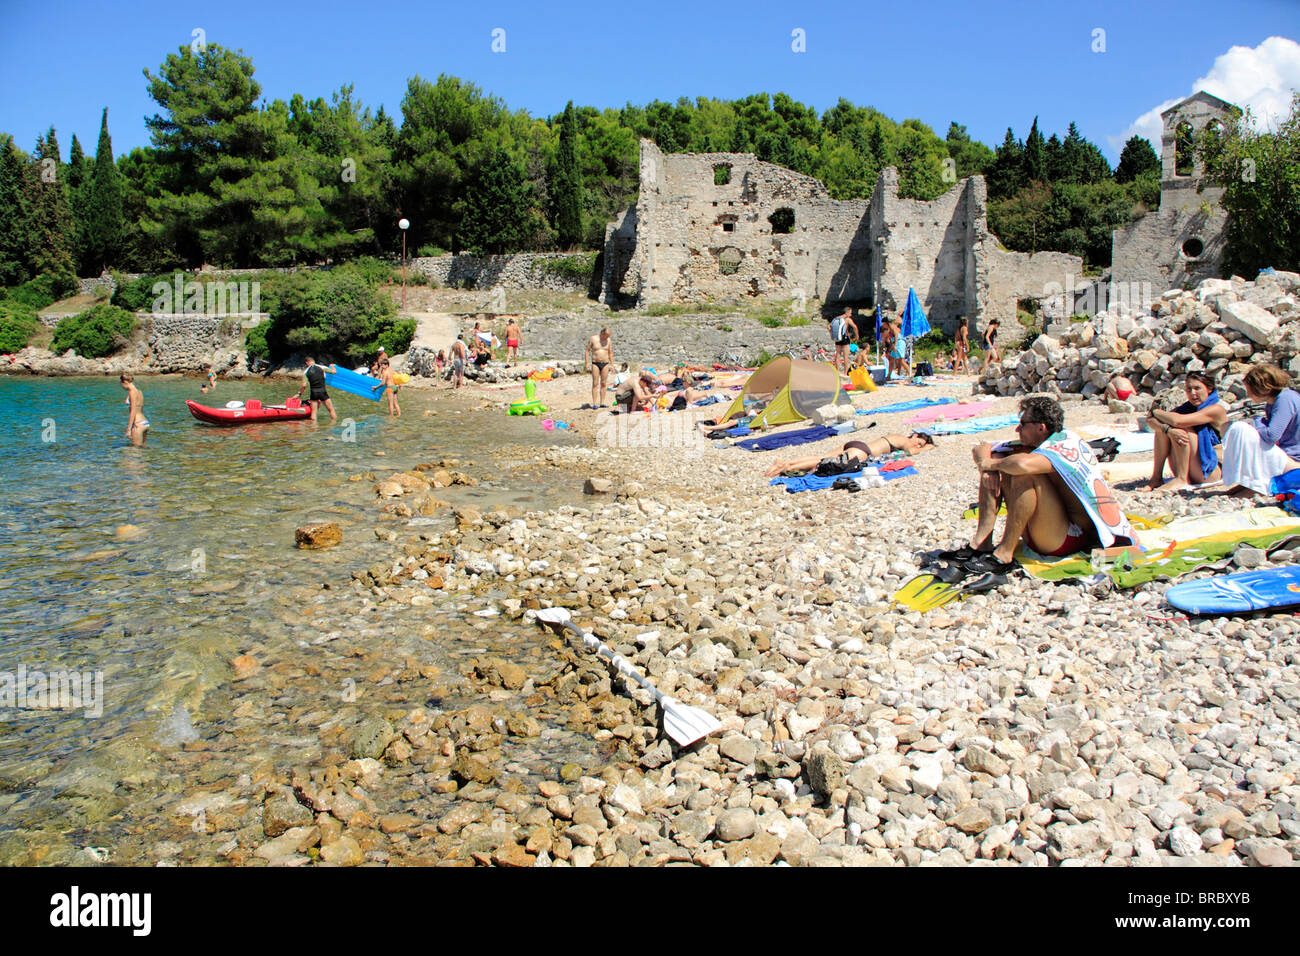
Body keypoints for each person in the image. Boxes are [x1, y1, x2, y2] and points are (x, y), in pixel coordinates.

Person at [957, 395, 1138, 573]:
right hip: (1047, 529)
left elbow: (1022, 465)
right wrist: (988, 467)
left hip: (1072, 536)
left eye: (1022, 424)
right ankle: (982, 543)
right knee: (997, 460)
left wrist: (992, 464)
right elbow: (981, 448)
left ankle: (1004, 554)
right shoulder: (1041, 442)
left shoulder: (1065, 446)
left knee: (1023, 474)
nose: (1017, 430)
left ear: (1041, 427)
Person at [1220, 364, 1300, 498]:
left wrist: (1257, 421)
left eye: (1250, 390)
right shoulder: (1276, 401)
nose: (1249, 395)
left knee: (1239, 428)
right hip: (1288, 455)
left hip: (1294, 461)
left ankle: (1258, 486)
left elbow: (1271, 435)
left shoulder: (1285, 400)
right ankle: (1250, 483)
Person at [1145, 371, 1226, 491]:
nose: (1193, 393)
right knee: (1163, 428)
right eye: (1189, 390)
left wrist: (1155, 412)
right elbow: (1150, 421)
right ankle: (1156, 477)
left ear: (1209, 389)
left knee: (1181, 428)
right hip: (1194, 467)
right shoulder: (1187, 408)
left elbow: (1178, 421)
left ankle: (1182, 479)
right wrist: (1167, 430)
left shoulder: (1215, 410)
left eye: (1197, 388)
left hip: (1211, 469)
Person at [764, 432, 936, 478]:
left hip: (857, 445)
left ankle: (786, 462)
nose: (916, 444)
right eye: (918, 441)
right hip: (861, 452)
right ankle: (786, 467)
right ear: (914, 436)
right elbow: (911, 452)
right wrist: (927, 448)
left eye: (920, 444)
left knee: (821, 457)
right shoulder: (903, 439)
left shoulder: (894, 436)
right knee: (821, 464)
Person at [295, 355, 338, 422]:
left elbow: (303, 385)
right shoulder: (321, 367)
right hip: (323, 392)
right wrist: (333, 366)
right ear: (313, 361)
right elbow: (334, 372)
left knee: (314, 413)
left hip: (314, 393)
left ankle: (314, 429)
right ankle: (333, 425)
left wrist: (299, 393)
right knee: (331, 410)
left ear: (307, 363)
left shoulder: (306, 371)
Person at [585, 328, 614, 408]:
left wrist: (612, 364)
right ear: (602, 333)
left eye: (608, 336)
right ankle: (594, 403)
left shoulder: (608, 340)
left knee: (604, 383)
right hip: (595, 363)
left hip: (605, 363)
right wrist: (587, 363)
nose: (607, 338)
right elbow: (587, 351)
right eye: (606, 336)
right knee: (595, 383)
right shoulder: (593, 339)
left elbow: (610, 352)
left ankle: (602, 402)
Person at [120, 372, 149, 446]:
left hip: (137, 424)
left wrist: (128, 429)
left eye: (121, 384)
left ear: (125, 382)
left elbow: (133, 411)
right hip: (144, 422)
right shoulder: (139, 392)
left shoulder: (132, 392)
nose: (122, 387)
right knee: (142, 450)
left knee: (135, 452)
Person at [829, 307, 859, 374]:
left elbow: (829, 327)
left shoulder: (836, 319)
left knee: (838, 355)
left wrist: (832, 334)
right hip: (845, 338)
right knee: (846, 356)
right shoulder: (847, 319)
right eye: (850, 313)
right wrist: (857, 335)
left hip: (837, 338)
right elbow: (855, 327)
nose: (851, 314)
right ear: (847, 312)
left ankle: (837, 372)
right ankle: (845, 373)